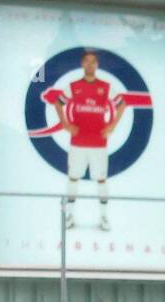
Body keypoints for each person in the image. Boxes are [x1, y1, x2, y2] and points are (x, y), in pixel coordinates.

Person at [54, 49, 125, 231]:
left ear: (97, 65)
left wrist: (112, 126)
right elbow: (58, 102)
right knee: (73, 178)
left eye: (93, 61)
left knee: (101, 180)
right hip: (78, 142)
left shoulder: (105, 87)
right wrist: (66, 124)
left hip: (98, 143)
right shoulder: (74, 86)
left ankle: (103, 217)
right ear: (82, 64)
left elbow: (121, 104)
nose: (90, 64)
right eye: (87, 61)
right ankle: (69, 215)